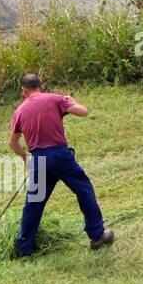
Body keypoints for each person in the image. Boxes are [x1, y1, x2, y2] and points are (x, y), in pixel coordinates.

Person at [7, 73, 114, 257]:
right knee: (84, 190)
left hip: (39, 159)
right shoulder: (56, 99)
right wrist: (71, 100)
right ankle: (97, 236)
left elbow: (13, 143)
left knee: (33, 203)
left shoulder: (19, 112)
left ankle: (24, 248)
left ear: (23, 90)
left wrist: (27, 160)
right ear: (41, 85)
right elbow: (83, 111)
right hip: (60, 155)